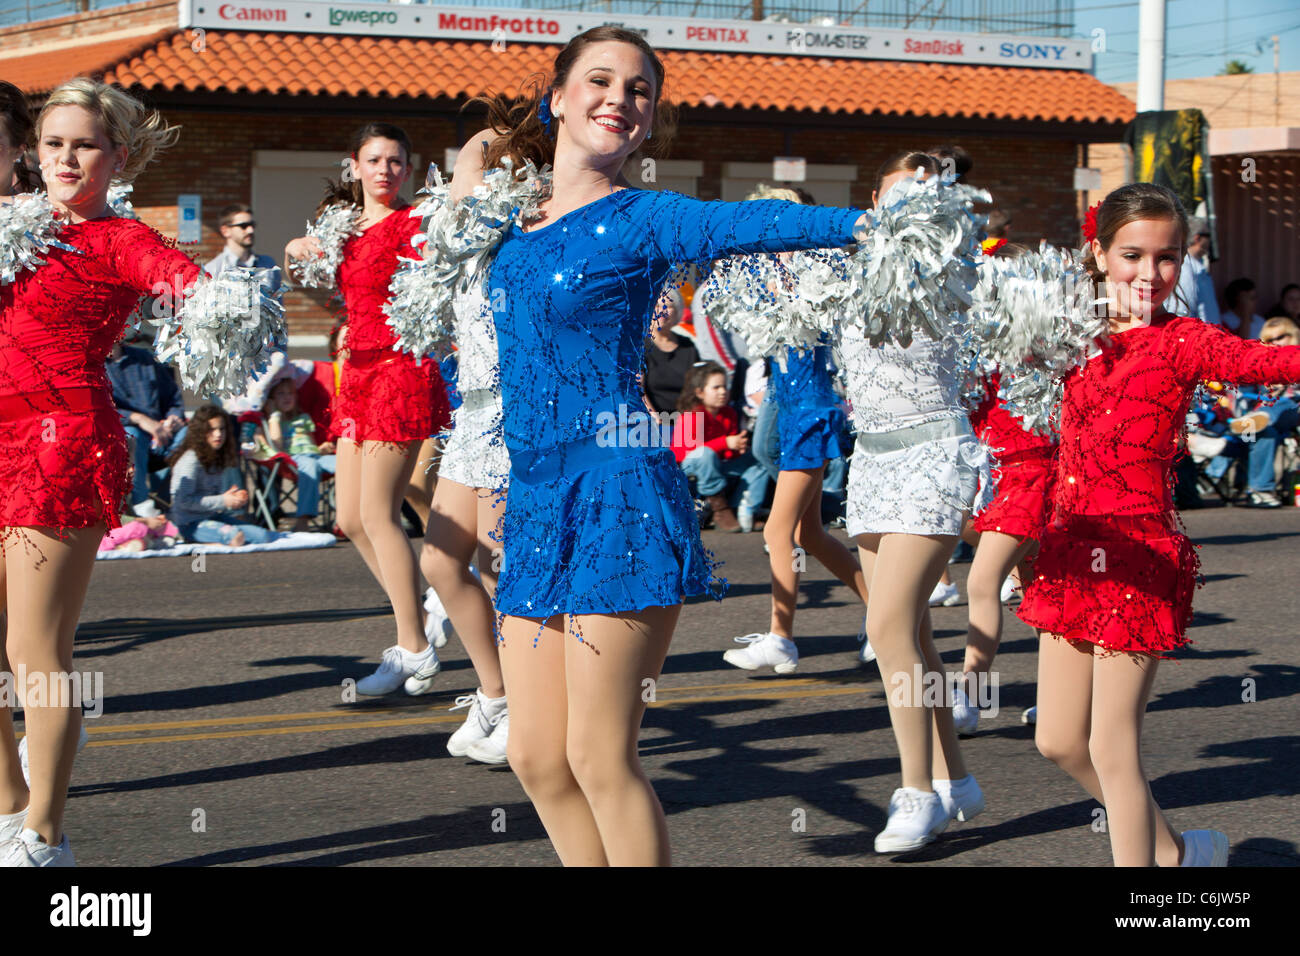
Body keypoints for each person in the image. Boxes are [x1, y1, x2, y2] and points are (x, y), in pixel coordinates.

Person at [478, 26, 866, 866]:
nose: (620, 98)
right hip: (538, 502)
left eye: (639, 90)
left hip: (618, 494)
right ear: (557, 98)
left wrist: (873, 224)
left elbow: (747, 223)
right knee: (535, 756)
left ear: (650, 121)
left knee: (598, 756)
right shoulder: (509, 228)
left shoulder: (645, 216)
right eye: (600, 80)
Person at [1018, 181, 1300, 867]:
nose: (1150, 273)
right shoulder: (1063, 335)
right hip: (1069, 554)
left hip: (1138, 559)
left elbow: (1268, 362)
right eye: (1132, 255)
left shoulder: (1183, 341)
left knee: (1114, 747)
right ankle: (1174, 852)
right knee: (1058, 740)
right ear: (1099, 253)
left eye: (1167, 258)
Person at [0, 79, 210, 866]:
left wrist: (224, 312)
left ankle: (45, 836)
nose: (64, 157)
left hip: (60, 446)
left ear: (116, 156)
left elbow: (199, 294)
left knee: (34, 651)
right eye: (52, 143)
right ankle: (9, 809)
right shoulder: (18, 224)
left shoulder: (122, 238)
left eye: (83, 144)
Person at [841, 151, 986, 852]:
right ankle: (957, 778)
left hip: (934, 454)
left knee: (889, 627)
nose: (908, 210)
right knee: (917, 635)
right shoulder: (849, 268)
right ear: (872, 199)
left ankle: (916, 792)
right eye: (897, 196)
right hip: (871, 461)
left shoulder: (949, 269)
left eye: (923, 198)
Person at [284, 123, 451, 697]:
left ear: (409, 168)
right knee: (351, 519)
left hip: (400, 370)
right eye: (375, 160)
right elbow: (314, 287)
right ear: (353, 164)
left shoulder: (419, 223)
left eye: (396, 161)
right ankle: (421, 622)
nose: (385, 170)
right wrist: (293, 252)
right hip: (354, 372)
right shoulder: (342, 227)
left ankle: (414, 645)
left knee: (381, 513)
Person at [415, 131, 515, 764]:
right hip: (469, 415)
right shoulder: (460, 244)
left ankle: (529, 708)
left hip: (509, 414)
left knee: (502, 568)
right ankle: (498, 692)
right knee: (441, 561)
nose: (456, 178)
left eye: (470, 167)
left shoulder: (517, 238)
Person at [952, 243, 1057, 734]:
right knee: (1045, 594)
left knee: (980, 582)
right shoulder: (987, 350)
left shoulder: (1041, 352)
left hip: (1035, 478)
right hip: (997, 477)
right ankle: (1062, 698)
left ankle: (970, 696)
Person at [1202, 315, 1300, 508]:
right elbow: (1240, 397)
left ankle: (1259, 419)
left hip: (1292, 417)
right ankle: (1260, 491)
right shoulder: (1258, 366)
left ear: (1294, 335)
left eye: (1280, 337)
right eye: (1269, 339)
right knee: (1263, 432)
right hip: (1252, 428)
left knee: (1285, 403)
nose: (1275, 343)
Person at [671, 360, 765, 533]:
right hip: (689, 467)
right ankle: (719, 508)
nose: (723, 392)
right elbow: (685, 453)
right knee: (705, 454)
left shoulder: (728, 413)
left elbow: (727, 454)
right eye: (716, 388)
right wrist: (726, 442)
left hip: (718, 466)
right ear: (699, 392)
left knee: (759, 458)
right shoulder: (692, 415)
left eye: (725, 387)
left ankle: (744, 508)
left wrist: (738, 448)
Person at [169, 405, 275, 546]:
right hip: (189, 523)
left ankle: (211, 541)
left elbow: (212, 498)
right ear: (200, 432)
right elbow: (183, 501)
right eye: (211, 430)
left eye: (221, 429)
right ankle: (194, 541)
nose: (218, 434)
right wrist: (223, 500)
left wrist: (231, 499)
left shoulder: (216, 456)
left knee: (263, 536)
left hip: (212, 518)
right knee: (235, 537)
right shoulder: (191, 460)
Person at [105, 336, 187, 512]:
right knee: (131, 434)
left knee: (194, 435)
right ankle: (140, 502)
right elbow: (99, 410)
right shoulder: (93, 366)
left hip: (162, 433)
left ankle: (168, 503)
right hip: (126, 435)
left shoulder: (144, 358)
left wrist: (171, 419)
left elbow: (173, 397)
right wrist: (139, 419)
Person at [262, 375, 337, 531]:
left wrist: (322, 448)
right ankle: (303, 520)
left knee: (345, 463)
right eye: (281, 394)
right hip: (293, 460)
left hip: (315, 457)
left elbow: (311, 445)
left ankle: (347, 516)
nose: (286, 397)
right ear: (272, 399)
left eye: (290, 393)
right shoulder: (275, 422)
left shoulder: (304, 418)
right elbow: (276, 445)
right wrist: (273, 415)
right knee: (309, 466)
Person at [204, 203, 282, 295]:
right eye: (243, 226)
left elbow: (277, 304)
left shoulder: (268, 264)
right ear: (225, 231)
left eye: (252, 225)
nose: (250, 230)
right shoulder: (213, 269)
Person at [643, 286, 699, 414]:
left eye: (667, 306)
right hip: (653, 421)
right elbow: (638, 389)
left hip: (686, 421)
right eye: (656, 306)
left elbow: (697, 389)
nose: (661, 311)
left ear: (677, 312)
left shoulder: (688, 346)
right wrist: (654, 417)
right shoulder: (640, 348)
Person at [1173, 217, 1220, 325]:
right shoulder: (1185, 268)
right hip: (1196, 336)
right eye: (1208, 236)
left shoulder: (1199, 268)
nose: (1210, 241)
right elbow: (1183, 311)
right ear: (1197, 238)